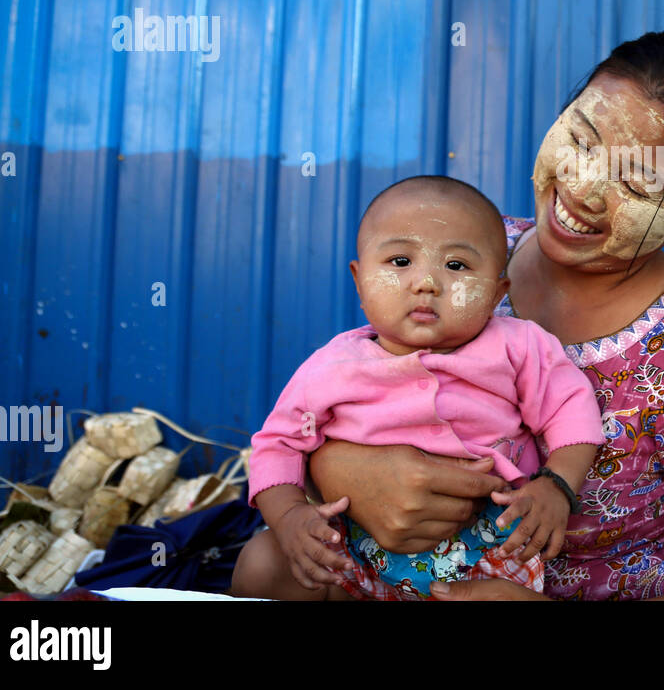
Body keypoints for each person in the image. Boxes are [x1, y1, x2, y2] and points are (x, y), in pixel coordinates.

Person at [310, 32, 664, 600]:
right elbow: (336, 397)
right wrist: (338, 471)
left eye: (636, 182)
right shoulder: (462, 258)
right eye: (581, 141)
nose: (582, 190)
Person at [231, 176, 604, 600]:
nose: (426, 282)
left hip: (486, 555)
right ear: (359, 280)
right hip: (354, 550)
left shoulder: (518, 345)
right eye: (400, 261)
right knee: (262, 563)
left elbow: (571, 409)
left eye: (457, 266)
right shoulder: (332, 366)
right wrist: (290, 517)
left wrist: (557, 484)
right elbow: (277, 444)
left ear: (497, 292)